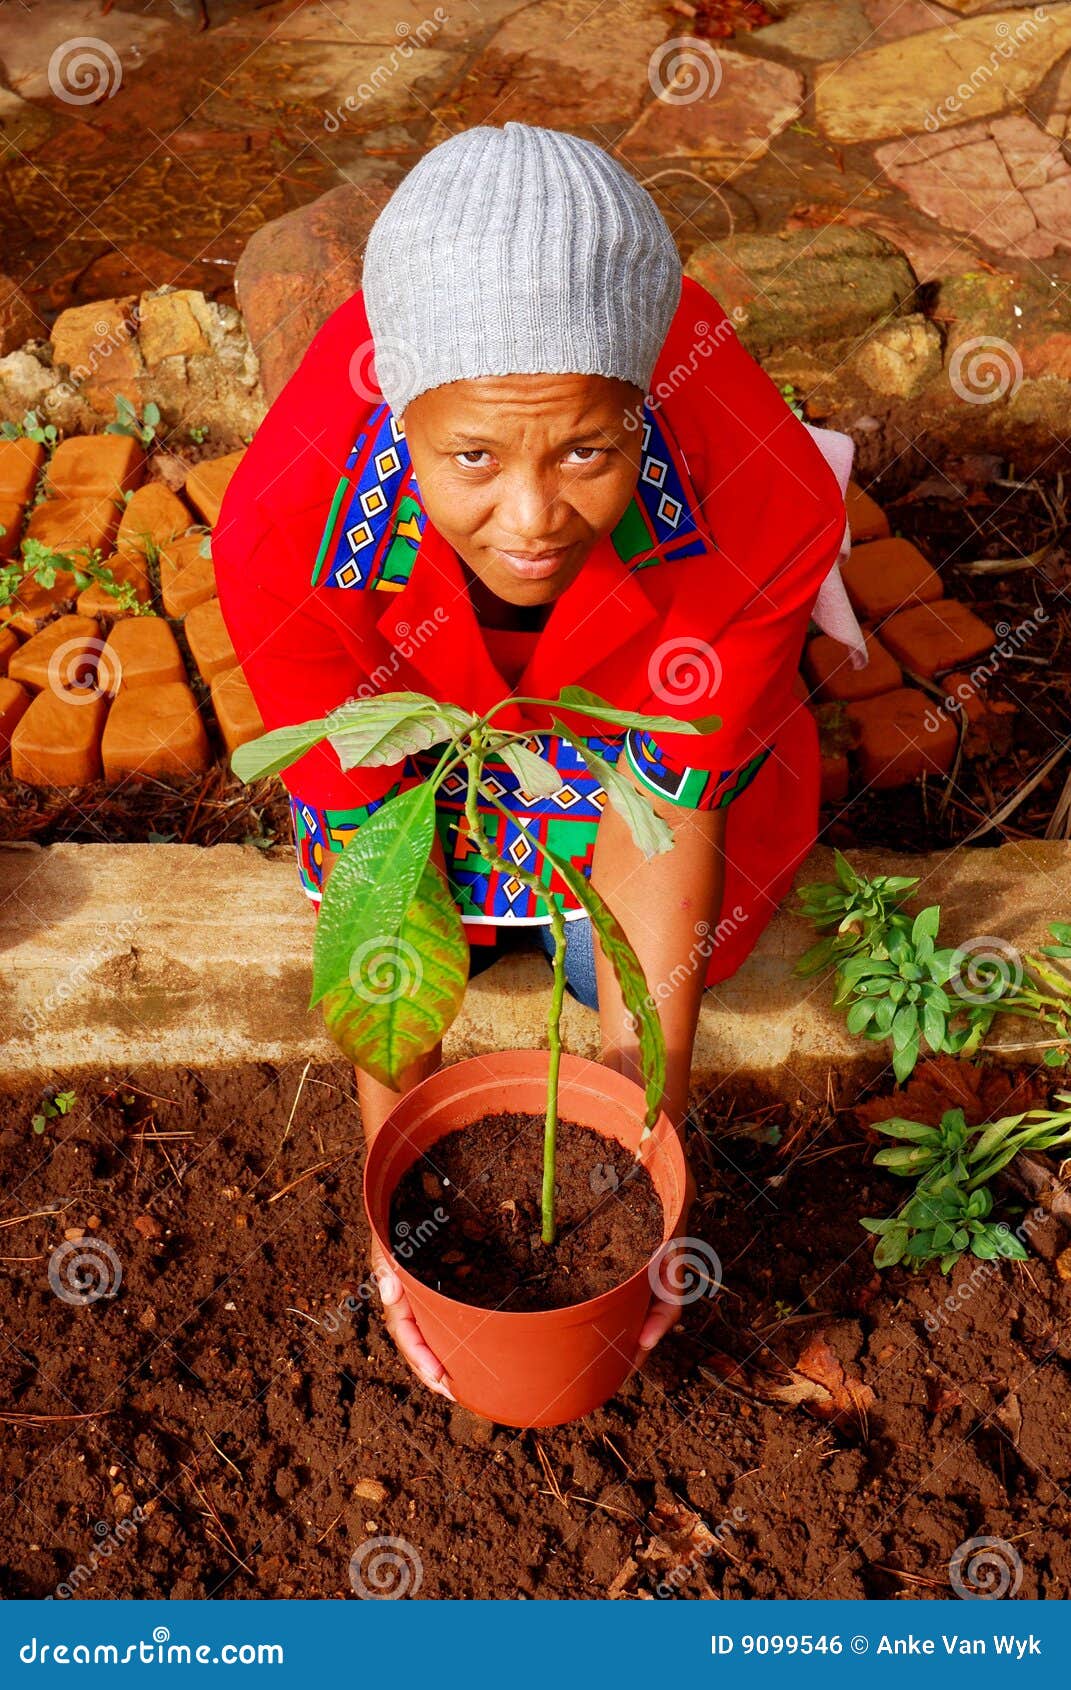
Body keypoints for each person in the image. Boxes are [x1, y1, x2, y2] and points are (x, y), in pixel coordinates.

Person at [214, 121, 862, 1401]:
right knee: (438, 929)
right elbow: (365, 853)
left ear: (643, 405)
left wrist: (643, 1170)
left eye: (588, 451)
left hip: (610, 760)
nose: (530, 519)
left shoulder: (762, 502)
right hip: (431, 769)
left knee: (599, 962)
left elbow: (666, 802)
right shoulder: (283, 534)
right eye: (472, 458)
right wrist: (399, 1206)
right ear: (401, 415)